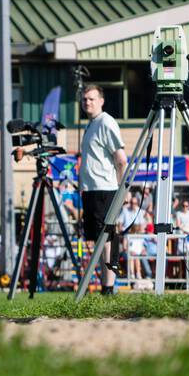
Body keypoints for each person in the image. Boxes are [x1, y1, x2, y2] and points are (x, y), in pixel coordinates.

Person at [79, 84, 128, 294]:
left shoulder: (106, 122)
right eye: (84, 99)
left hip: (105, 190)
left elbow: (121, 160)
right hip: (91, 190)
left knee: (107, 240)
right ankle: (104, 286)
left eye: (91, 99)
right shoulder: (91, 124)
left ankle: (108, 288)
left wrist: (121, 191)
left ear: (101, 100)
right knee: (99, 241)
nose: (87, 102)